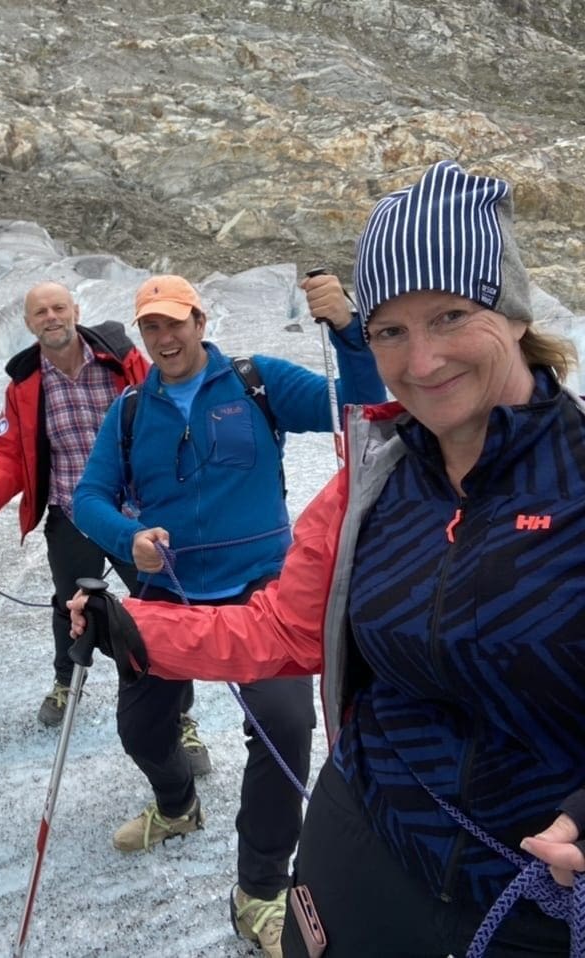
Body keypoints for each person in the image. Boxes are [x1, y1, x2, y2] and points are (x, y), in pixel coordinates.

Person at [71, 160, 585, 957]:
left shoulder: (576, 481)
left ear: (513, 312)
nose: (421, 361)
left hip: (535, 887)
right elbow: (286, 628)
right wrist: (134, 627)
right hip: (363, 832)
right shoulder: (372, 484)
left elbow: (342, 405)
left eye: (451, 315)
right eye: (390, 331)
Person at [70, 273, 385, 954]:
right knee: (142, 731)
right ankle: (178, 804)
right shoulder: (128, 412)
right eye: (151, 326)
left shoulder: (255, 383)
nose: (165, 337)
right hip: (170, 599)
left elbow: (359, 407)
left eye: (176, 322)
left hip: (261, 595)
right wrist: (128, 540)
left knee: (284, 725)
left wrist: (351, 336)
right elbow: (88, 498)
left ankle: (261, 889)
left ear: (201, 320)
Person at [0, 281, 152, 727]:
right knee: (70, 605)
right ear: (29, 324)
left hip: (133, 515)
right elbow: (8, 454)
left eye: (58, 308)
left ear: (75, 311)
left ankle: (174, 704)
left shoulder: (122, 362)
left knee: (155, 602)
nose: (51, 317)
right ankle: (68, 681)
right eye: (40, 312)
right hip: (71, 513)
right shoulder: (26, 383)